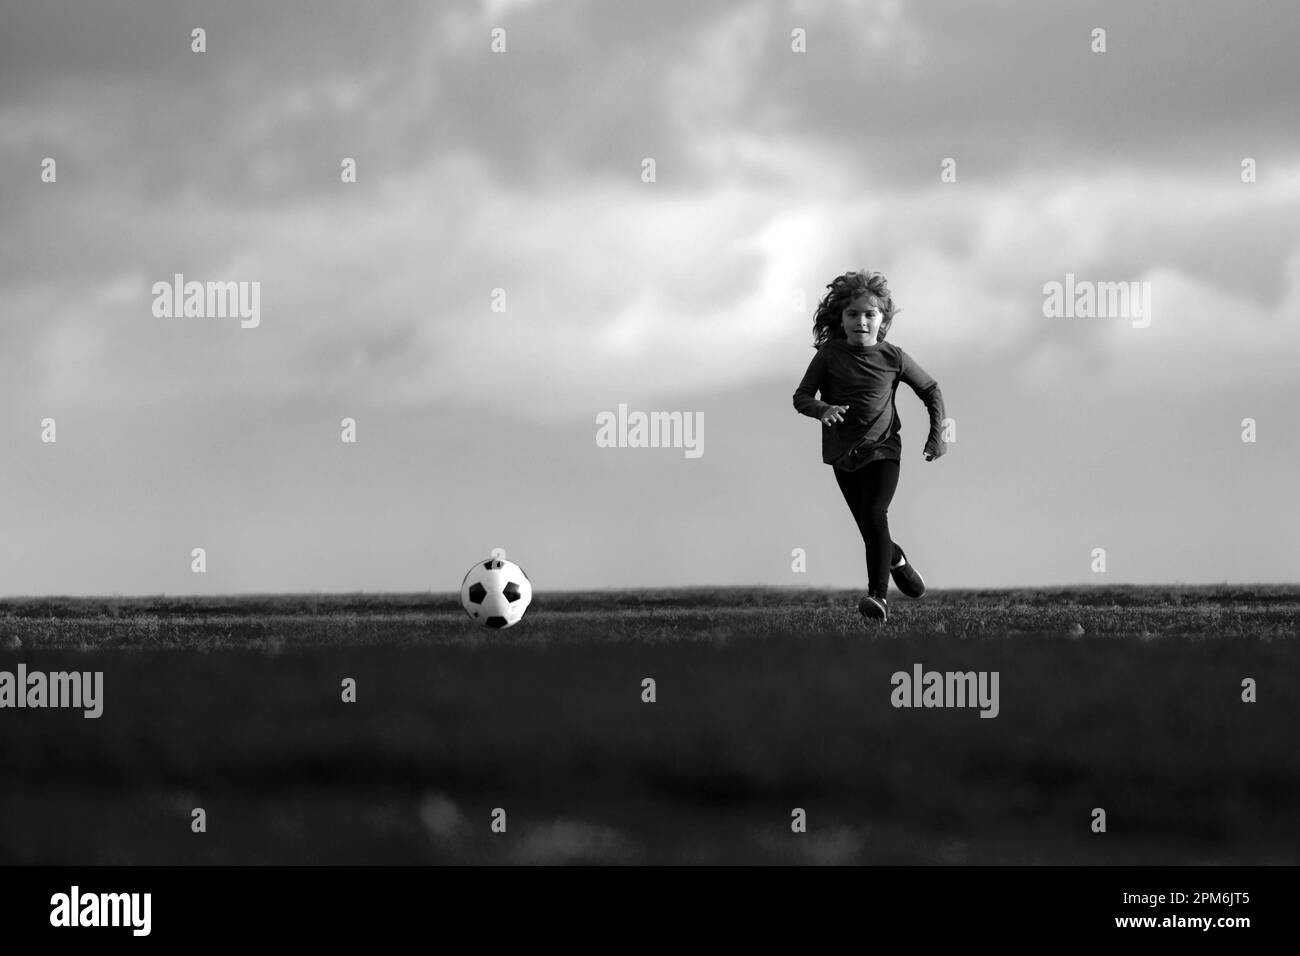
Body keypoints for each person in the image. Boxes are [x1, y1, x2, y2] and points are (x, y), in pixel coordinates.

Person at [792, 269, 947, 623]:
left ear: (883, 320)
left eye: (870, 314)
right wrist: (822, 410)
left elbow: (931, 389)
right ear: (841, 319)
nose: (861, 321)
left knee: (876, 516)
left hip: (883, 451)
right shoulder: (830, 355)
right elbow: (801, 396)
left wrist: (936, 435)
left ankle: (878, 599)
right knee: (870, 528)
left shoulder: (894, 357)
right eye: (853, 314)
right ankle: (897, 560)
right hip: (842, 456)